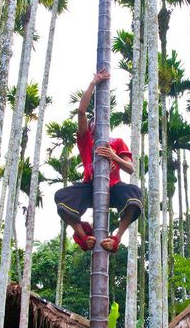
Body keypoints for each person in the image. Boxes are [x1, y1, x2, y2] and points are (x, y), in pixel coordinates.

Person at [54, 69, 142, 253]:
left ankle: (116, 238)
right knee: (61, 198)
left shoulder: (116, 143)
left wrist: (113, 156)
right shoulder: (86, 141)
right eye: (93, 121)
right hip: (90, 187)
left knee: (135, 195)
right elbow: (80, 112)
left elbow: (131, 169)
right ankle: (84, 237)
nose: (95, 123)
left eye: (100, 121)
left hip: (114, 187)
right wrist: (93, 83)